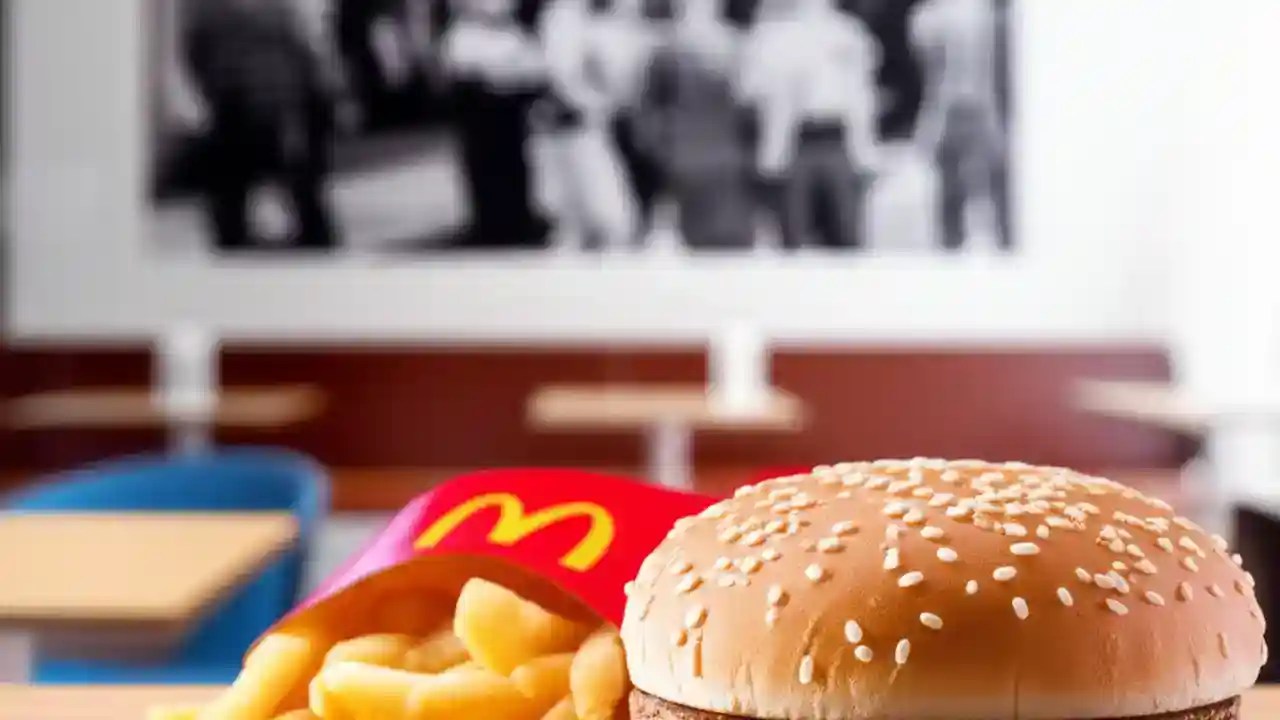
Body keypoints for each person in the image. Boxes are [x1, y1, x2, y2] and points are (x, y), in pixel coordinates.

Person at [184, 0, 339, 251]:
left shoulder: (275, 12)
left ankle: (314, 244)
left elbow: (305, 56)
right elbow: (197, 54)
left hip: (268, 107)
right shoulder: (212, 11)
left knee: (301, 192)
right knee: (232, 197)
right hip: (243, 108)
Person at [742, 0, 881, 250]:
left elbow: (861, 96)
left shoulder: (848, 33)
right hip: (797, 142)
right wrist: (771, 152)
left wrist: (866, 150)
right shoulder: (773, 37)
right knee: (793, 233)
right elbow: (754, 92)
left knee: (846, 234)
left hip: (837, 140)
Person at [637, 0, 755, 250]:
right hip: (691, 164)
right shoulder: (667, 52)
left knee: (729, 244)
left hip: (725, 165)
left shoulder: (737, 46)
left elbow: (750, 110)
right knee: (700, 245)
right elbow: (648, 114)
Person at [437, 0, 552, 248]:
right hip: (475, 56)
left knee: (512, 152)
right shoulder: (467, 34)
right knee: (483, 153)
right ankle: (493, 221)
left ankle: (515, 216)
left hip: (506, 54)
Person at [533, 0, 638, 251]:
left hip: (606, 123)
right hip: (570, 128)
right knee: (579, 220)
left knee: (614, 224)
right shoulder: (562, 17)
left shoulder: (617, 18)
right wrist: (594, 105)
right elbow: (561, 75)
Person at [910, 0, 1011, 251]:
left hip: (973, 110)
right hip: (961, 110)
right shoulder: (931, 18)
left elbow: (938, 77)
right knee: (955, 203)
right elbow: (936, 76)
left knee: (981, 203)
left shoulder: (932, 18)